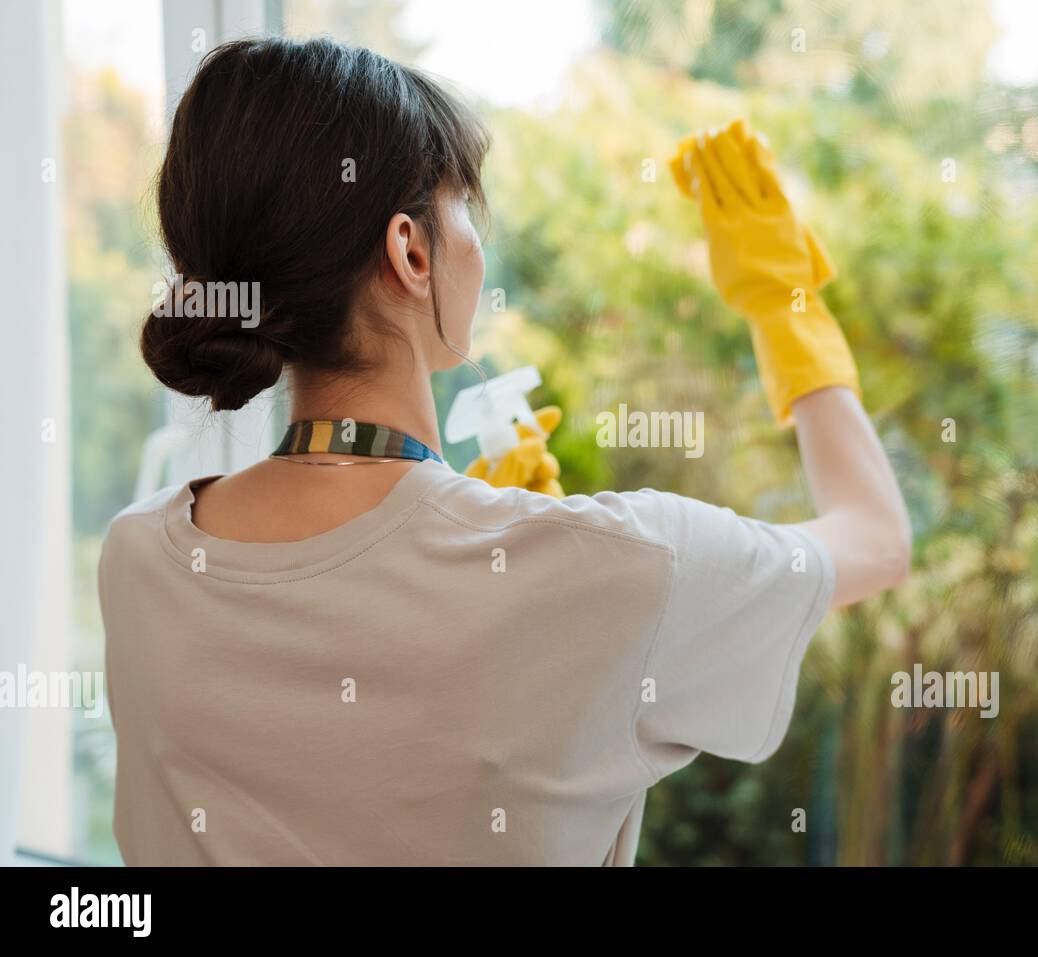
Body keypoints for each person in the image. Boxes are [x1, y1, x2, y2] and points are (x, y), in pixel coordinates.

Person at [99, 36, 910, 866]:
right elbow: (875, 538)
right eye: (464, 208)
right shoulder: (618, 566)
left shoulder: (139, 562)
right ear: (410, 252)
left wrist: (481, 527)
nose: (477, 245)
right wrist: (787, 305)